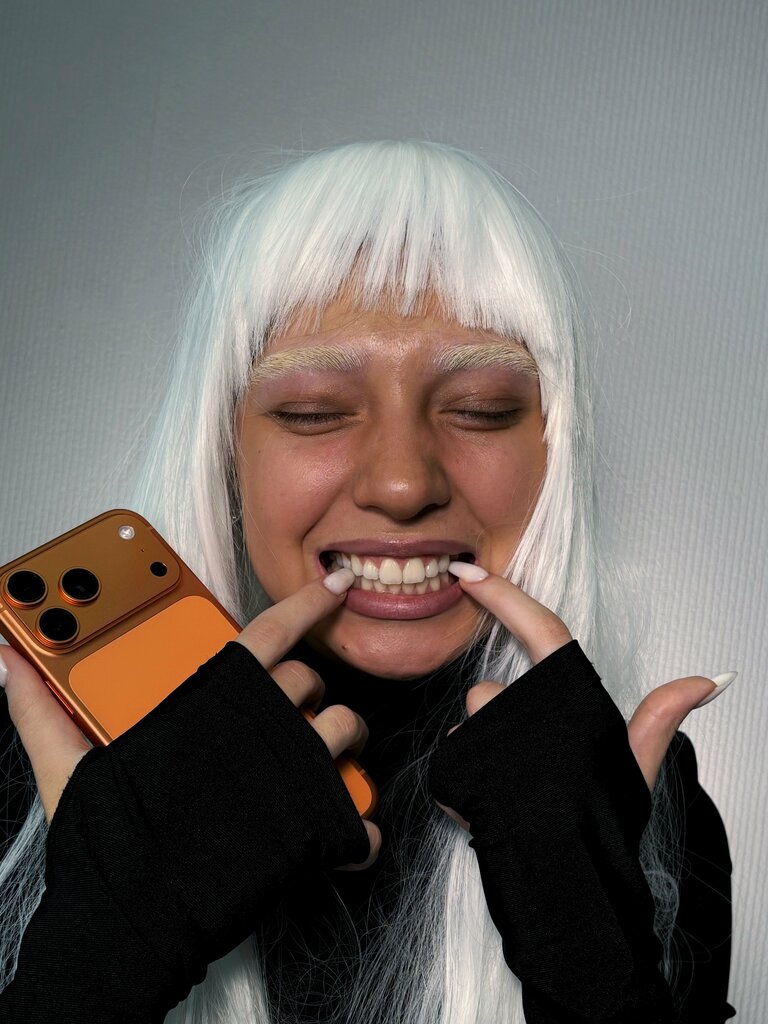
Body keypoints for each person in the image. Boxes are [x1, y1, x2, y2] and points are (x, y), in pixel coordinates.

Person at [0, 139, 735, 1022]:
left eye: (481, 411)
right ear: (226, 451)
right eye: (313, 412)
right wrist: (106, 945)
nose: (402, 483)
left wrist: (593, 962)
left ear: (554, 448)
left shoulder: (622, 793)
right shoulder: (46, 781)